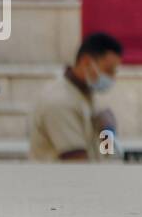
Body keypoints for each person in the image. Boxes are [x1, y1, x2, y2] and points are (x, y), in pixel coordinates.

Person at [28, 33, 122, 162]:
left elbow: (104, 154)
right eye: (108, 70)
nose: (112, 77)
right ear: (86, 62)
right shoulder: (60, 102)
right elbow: (77, 163)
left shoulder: (84, 94)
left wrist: (107, 134)